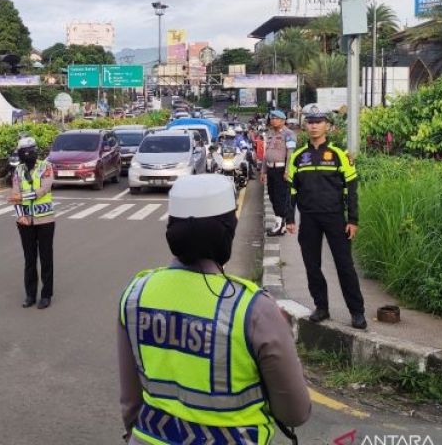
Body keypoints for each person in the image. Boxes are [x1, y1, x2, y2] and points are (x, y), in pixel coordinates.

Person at [117, 175, 311, 444]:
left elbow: (130, 402)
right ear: (228, 232)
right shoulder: (254, 309)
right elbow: (295, 413)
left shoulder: (136, 294)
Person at [285, 105, 367, 329]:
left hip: (335, 219)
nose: (314, 125)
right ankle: (321, 307)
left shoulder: (340, 155)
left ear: (327, 126)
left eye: (318, 121)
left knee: (345, 266)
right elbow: (291, 190)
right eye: (310, 121)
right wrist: (289, 218)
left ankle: (357, 312)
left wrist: (353, 220)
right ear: (306, 125)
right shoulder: (299, 157)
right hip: (309, 219)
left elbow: (351, 189)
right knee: (312, 266)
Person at [7, 136, 55, 310]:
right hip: (25, 221)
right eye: (23, 152)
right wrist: (20, 215)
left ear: (35, 151)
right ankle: (30, 295)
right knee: (29, 259)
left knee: (46, 257)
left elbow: (43, 189)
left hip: (45, 219)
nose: (27, 154)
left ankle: (46, 294)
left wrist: (23, 196)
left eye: (30, 151)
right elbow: (14, 194)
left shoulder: (46, 167)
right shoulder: (18, 170)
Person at [261, 109, 297, 236]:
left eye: (276, 118)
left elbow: (290, 154)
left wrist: (287, 170)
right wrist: (263, 171)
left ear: (283, 120)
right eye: (272, 118)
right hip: (271, 169)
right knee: (272, 195)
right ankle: (280, 224)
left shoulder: (289, 134)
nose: (273, 120)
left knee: (281, 197)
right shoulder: (270, 133)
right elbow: (266, 154)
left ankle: (280, 224)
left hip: (281, 170)